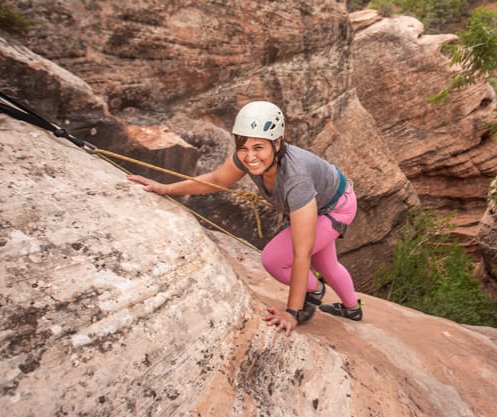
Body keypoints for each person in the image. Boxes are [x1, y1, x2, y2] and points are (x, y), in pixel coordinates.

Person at [127, 100, 362, 336]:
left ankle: (315, 290)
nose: (250, 157)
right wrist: (166, 188)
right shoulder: (249, 157)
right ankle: (352, 309)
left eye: (258, 148)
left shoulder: (296, 178)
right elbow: (217, 180)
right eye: (243, 147)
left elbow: (302, 253)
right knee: (326, 264)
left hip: (335, 207)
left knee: (276, 260)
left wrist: (292, 313)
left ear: (277, 143)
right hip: (323, 198)